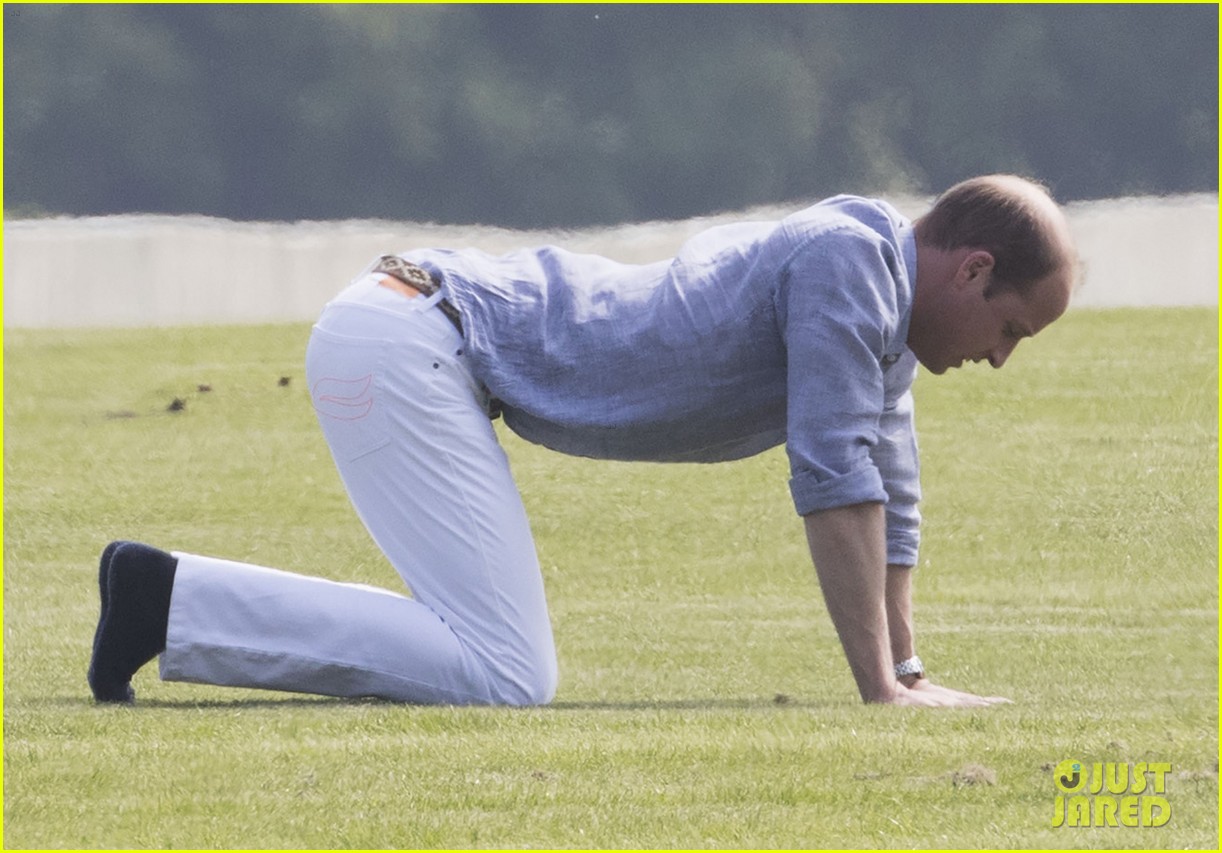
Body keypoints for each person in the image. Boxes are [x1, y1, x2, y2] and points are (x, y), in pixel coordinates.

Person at [88, 174, 1077, 709]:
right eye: (1011, 332)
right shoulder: (850, 259)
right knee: (505, 674)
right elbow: (832, 474)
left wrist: (905, 673)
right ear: (971, 269)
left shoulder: (886, 323)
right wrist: (878, 691)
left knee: (496, 665)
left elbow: (886, 496)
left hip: (417, 335)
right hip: (406, 333)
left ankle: (165, 601)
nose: (999, 360)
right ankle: (164, 602)